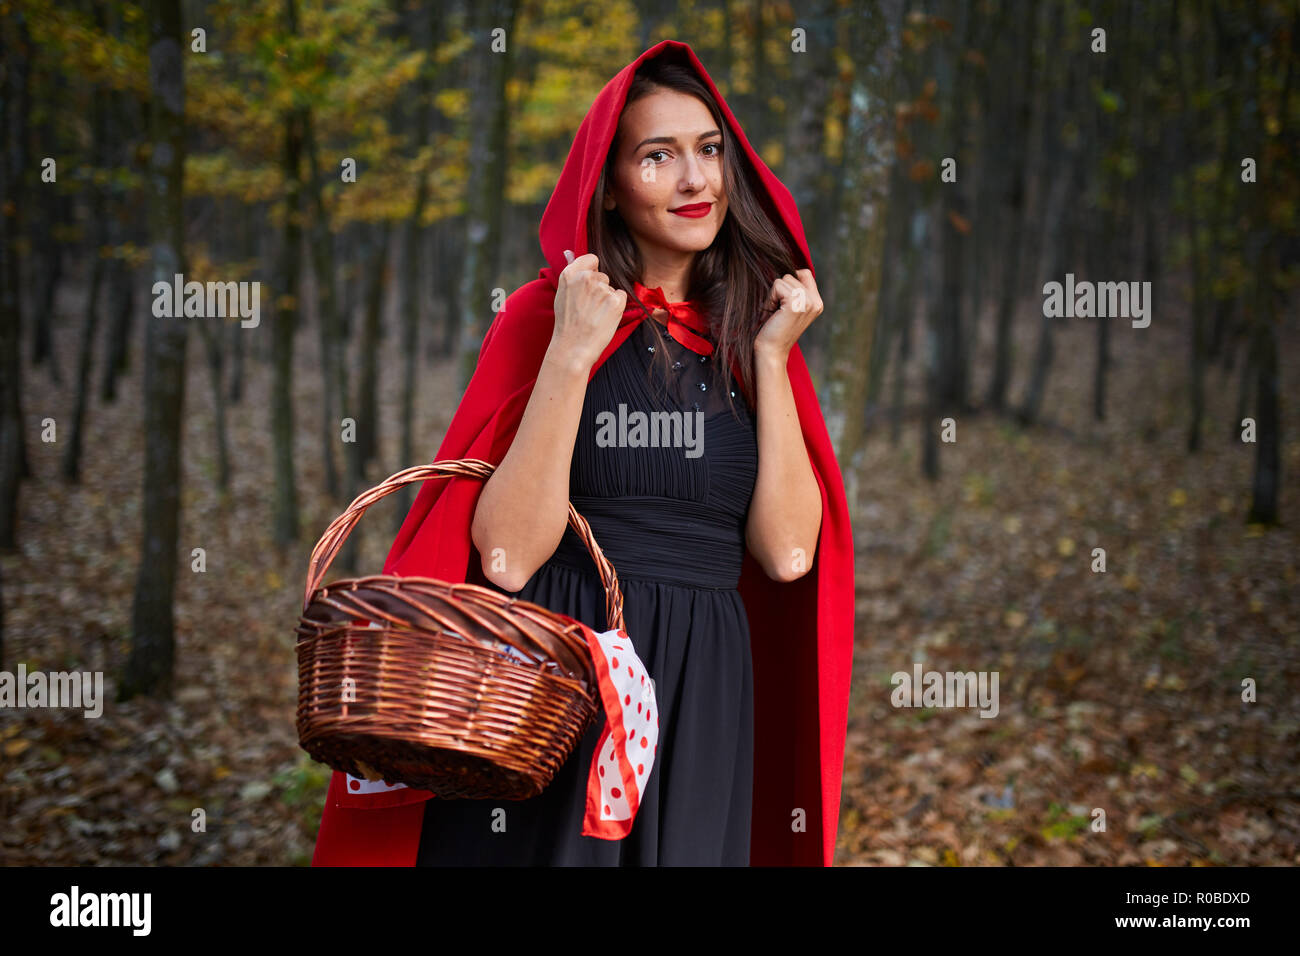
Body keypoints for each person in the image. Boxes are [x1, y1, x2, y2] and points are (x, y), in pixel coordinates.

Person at [309, 39, 855, 868]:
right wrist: (571, 355)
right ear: (607, 181)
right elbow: (504, 555)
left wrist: (775, 358)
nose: (696, 180)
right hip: (559, 678)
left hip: (703, 689)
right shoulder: (547, 316)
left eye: (709, 151)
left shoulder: (755, 336)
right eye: (658, 156)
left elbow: (786, 555)